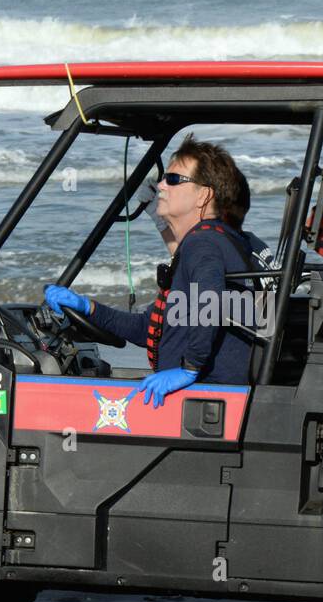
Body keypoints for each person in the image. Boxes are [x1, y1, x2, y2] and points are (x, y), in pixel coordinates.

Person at [44, 135, 255, 405]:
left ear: (203, 195)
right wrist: (89, 308)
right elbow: (150, 330)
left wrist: (191, 367)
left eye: (174, 180)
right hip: (204, 396)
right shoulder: (216, 240)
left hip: (203, 400)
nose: (162, 186)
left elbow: (209, 297)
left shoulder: (203, 243)